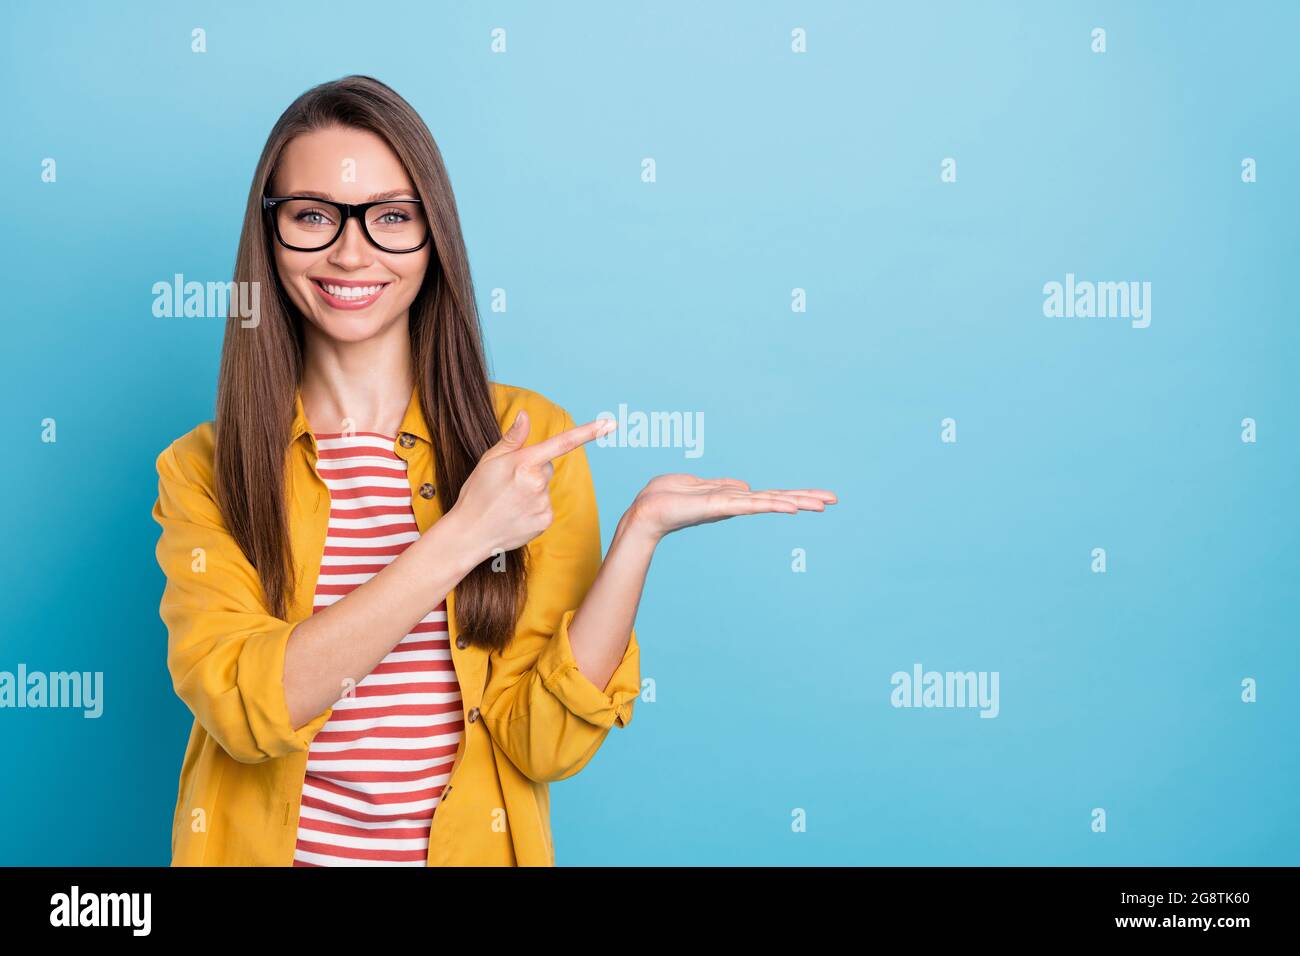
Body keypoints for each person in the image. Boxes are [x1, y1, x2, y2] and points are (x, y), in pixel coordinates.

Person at [151, 74, 837, 866]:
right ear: (268, 237)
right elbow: (245, 709)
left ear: (433, 235)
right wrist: (466, 535)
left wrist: (637, 540)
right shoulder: (203, 469)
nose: (351, 250)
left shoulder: (525, 441)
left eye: (391, 218)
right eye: (311, 216)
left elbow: (541, 745)